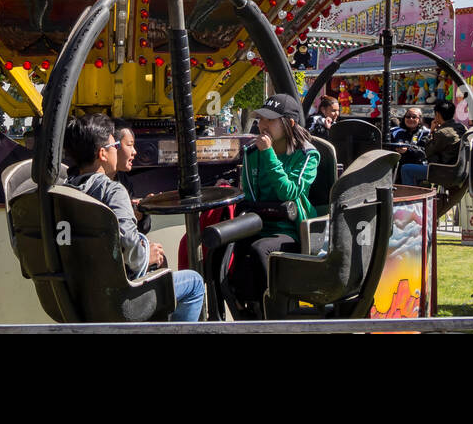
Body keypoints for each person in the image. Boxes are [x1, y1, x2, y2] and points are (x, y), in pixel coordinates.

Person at [64, 114, 204, 322]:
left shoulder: (64, 192)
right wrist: (148, 256)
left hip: (78, 297)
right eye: (115, 146)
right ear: (103, 153)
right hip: (120, 299)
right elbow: (129, 244)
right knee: (194, 283)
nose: (118, 150)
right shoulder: (112, 191)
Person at [232, 93, 319, 312]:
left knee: (261, 249)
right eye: (261, 118)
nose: (262, 124)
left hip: (292, 228)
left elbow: (288, 191)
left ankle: (272, 312)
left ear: (289, 123)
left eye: (270, 119)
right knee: (222, 246)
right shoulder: (251, 152)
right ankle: (236, 308)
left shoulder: (307, 154)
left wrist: (269, 154)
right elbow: (251, 196)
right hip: (258, 221)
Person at [398, 99, 466, 186]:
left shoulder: (442, 133)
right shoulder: (461, 127)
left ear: (437, 114)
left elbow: (427, 153)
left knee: (406, 169)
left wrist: (432, 132)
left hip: (445, 171)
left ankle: (410, 199)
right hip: (460, 169)